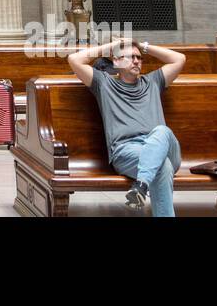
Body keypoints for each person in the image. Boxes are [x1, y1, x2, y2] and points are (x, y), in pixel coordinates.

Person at [69, 37, 187, 215]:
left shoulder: (153, 81)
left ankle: (140, 185)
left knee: (162, 131)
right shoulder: (104, 84)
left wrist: (143, 46)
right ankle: (142, 186)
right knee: (163, 167)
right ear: (115, 60)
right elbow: (74, 59)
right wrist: (113, 46)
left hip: (165, 148)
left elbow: (180, 59)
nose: (136, 60)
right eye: (130, 57)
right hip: (127, 151)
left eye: (139, 57)